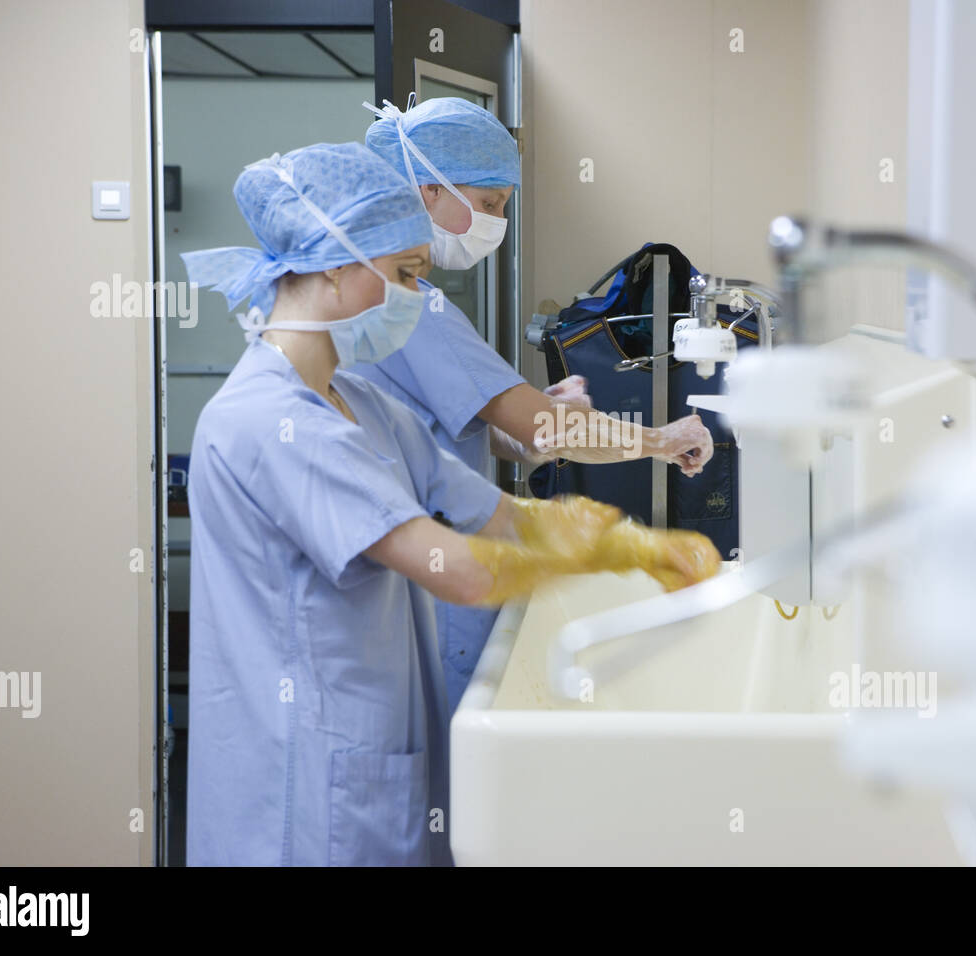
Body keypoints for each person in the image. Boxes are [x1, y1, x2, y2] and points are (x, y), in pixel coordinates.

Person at [180, 141, 720, 867]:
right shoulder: (274, 425)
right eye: (403, 275)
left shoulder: (362, 403)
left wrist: (630, 545)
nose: (414, 299)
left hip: (371, 747)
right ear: (335, 264)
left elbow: (493, 513)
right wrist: (580, 551)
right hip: (302, 782)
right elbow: (458, 570)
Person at [362, 96, 717, 712]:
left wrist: (527, 424)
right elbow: (553, 434)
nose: (496, 223)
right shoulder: (408, 307)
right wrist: (661, 440)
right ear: (428, 192)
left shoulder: (388, 297)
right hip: (424, 579)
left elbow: (447, 425)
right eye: (490, 204)